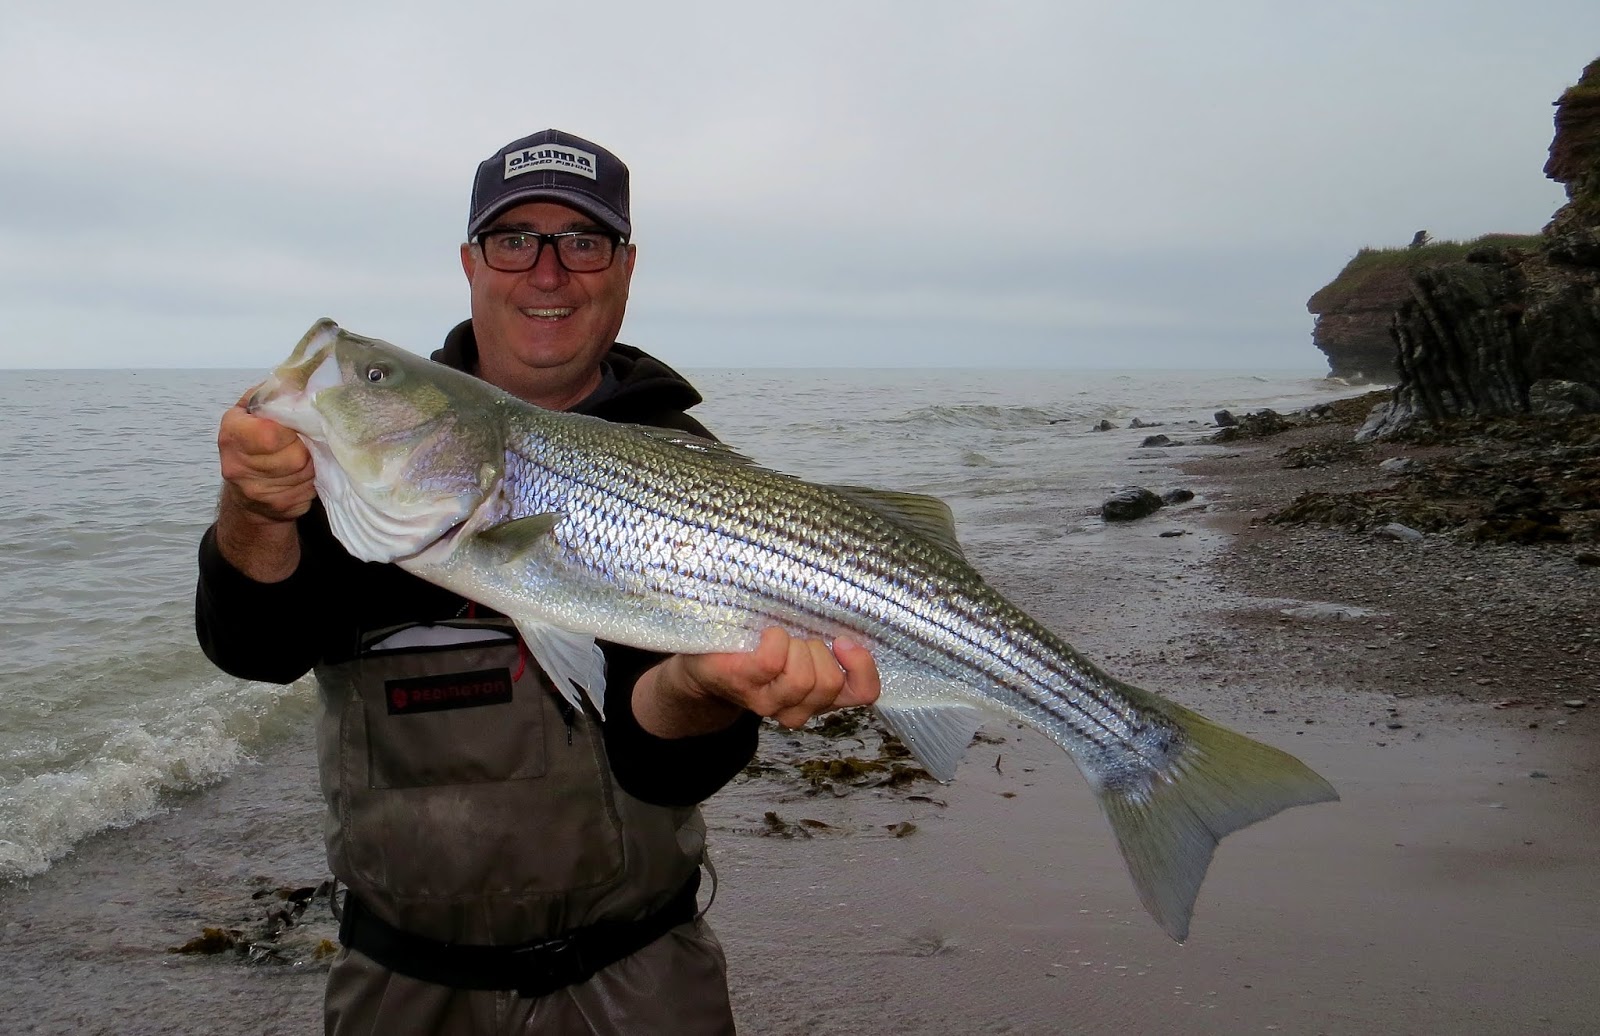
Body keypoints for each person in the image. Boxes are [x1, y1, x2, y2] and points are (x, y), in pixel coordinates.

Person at [195, 128, 881, 1035]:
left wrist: (705, 688)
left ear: (625, 268)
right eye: (514, 240)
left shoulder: (691, 469)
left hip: (636, 977)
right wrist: (255, 507)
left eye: (582, 242)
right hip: (399, 984)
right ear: (471, 264)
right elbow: (254, 649)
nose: (546, 272)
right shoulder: (359, 467)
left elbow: (667, 763)